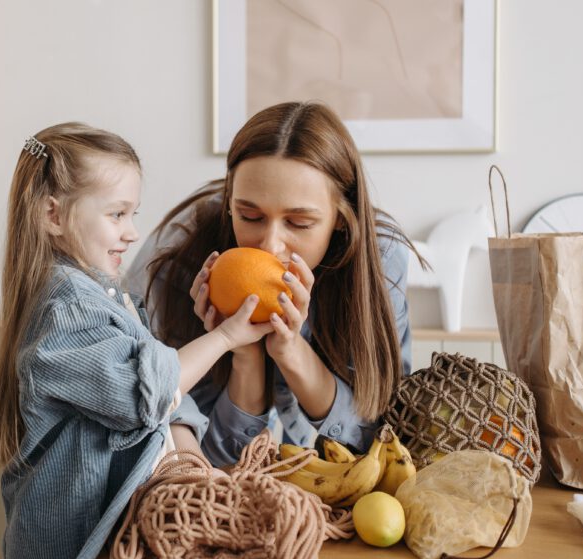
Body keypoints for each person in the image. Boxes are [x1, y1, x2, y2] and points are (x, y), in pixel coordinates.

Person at [0, 122, 272, 559]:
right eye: (117, 215)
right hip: (73, 552)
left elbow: (165, 397)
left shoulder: (106, 296)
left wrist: (189, 458)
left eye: (132, 214)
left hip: (118, 535)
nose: (133, 232)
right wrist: (224, 338)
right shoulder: (70, 310)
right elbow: (143, 393)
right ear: (54, 215)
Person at [125, 101, 419, 467]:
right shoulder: (180, 250)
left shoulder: (380, 259)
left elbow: (384, 438)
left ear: (341, 219)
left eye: (299, 223)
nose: (270, 246)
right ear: (230, 202)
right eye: (250, 216)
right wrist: (242, 356)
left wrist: (291, 351)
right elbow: (207, 457)